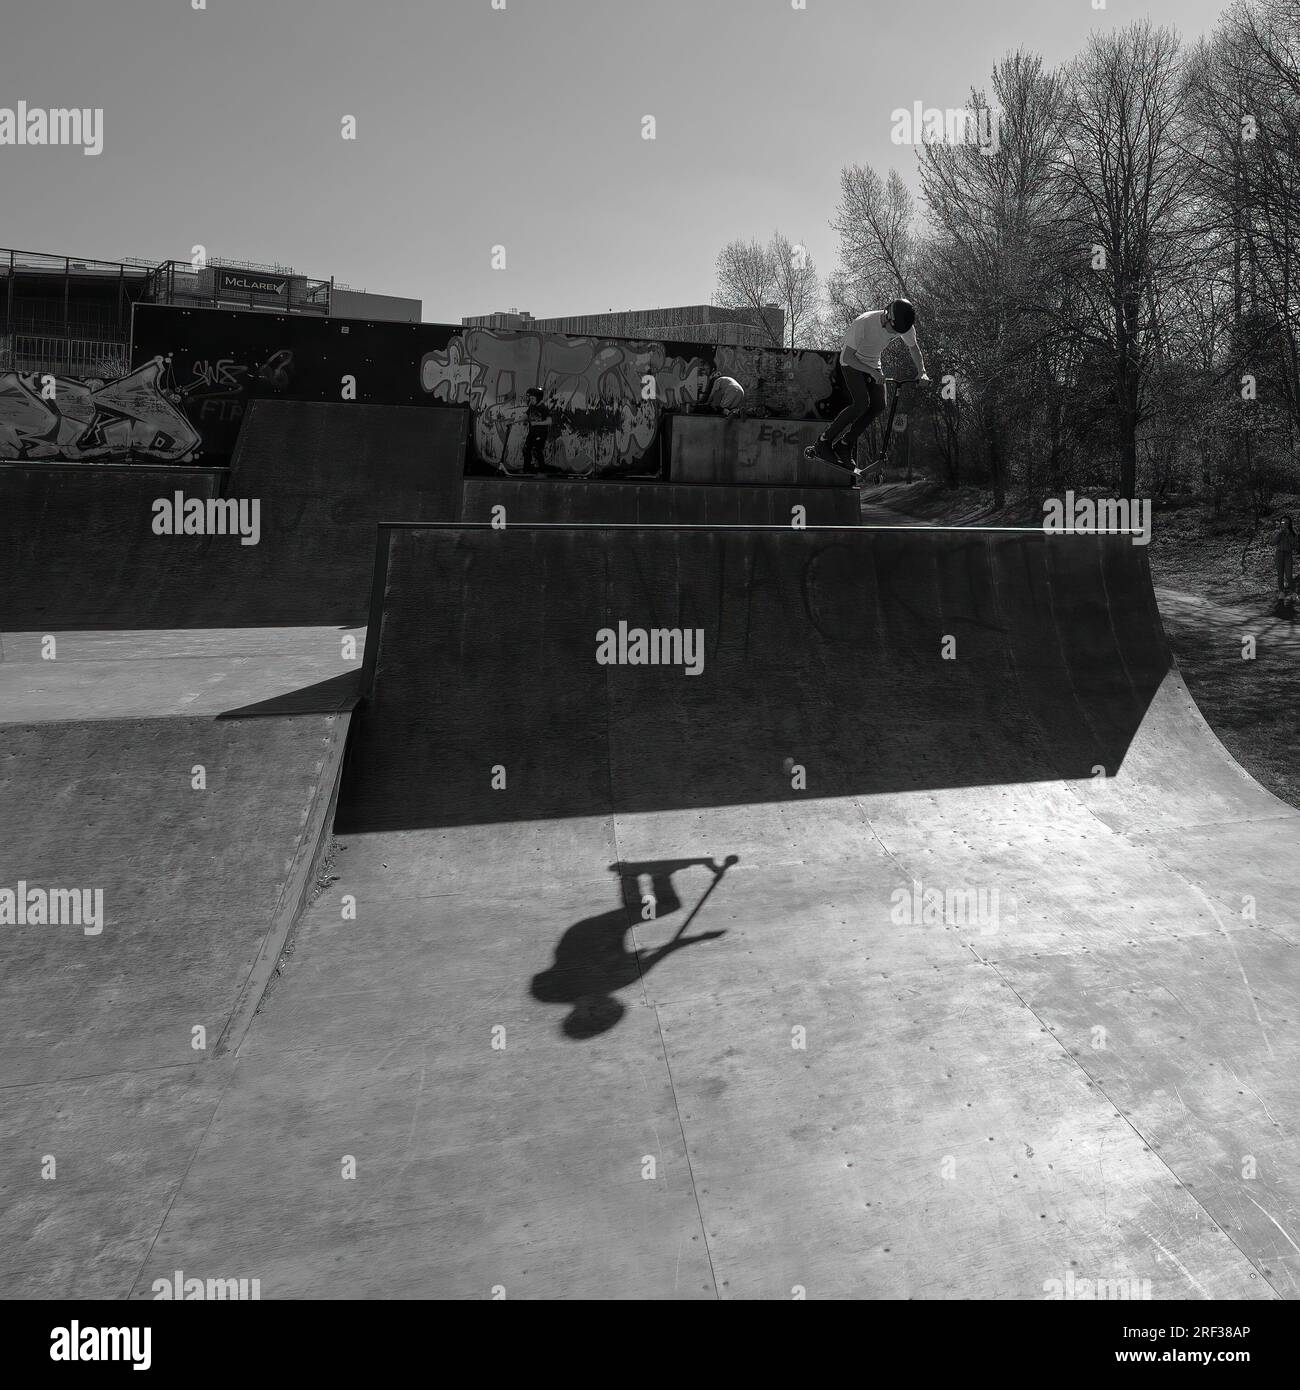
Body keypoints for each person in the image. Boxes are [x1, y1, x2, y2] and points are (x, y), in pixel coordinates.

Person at [811, 298, 929, 470]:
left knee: (880, 405)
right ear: (887, 316)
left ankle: (844, 444)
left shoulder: (904, 326)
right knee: (861, 403)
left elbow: (913, 348)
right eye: (892, 330)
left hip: (873, 363)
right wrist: (873, 372)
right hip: (852, 363)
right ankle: (823, 442)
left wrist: (922, 372)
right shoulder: (864, 323)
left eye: (897, 332)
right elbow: (847, 357)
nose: (893, 334)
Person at [522, 387, 554, 473]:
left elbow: (549, 421)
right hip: (532, 433)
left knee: (537, 451)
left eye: (533, 398)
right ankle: (526, 470)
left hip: (540, 433)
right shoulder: (532, 406)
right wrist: (518, 419)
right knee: (526, 449)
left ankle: (542, 471)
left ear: (538, 398)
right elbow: (527, 415)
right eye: (530, 398)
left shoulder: (543, 408)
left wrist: (536, 423)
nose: (531, 400)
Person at [1275, 515, 1295, 600]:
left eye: (1287, 522)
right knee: (1280, 575)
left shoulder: (1292, 532)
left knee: (1289, 575)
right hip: (1279, 554)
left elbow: (1294, 544)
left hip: (1288, 555)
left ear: (1289, 523)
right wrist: (1279, 533)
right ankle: (1281, 592)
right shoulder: (1277, 531)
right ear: (1280, 523)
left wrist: (1289, 534)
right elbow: (1272, 542)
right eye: (1283, 522)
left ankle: (1293, 592)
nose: (1285, 524)